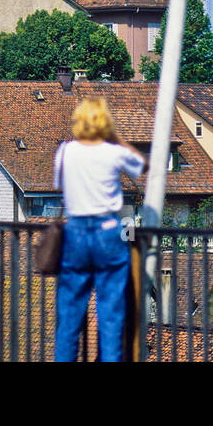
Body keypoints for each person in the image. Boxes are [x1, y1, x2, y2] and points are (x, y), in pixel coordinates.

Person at [53, 96, 146, 362]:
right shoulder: (112, 151)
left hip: (76, 232)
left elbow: (58, 183)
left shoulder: (66, 151)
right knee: (110, 313)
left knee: (69, 315)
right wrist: (116, 138)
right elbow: (139, 167)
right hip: (108, 230)